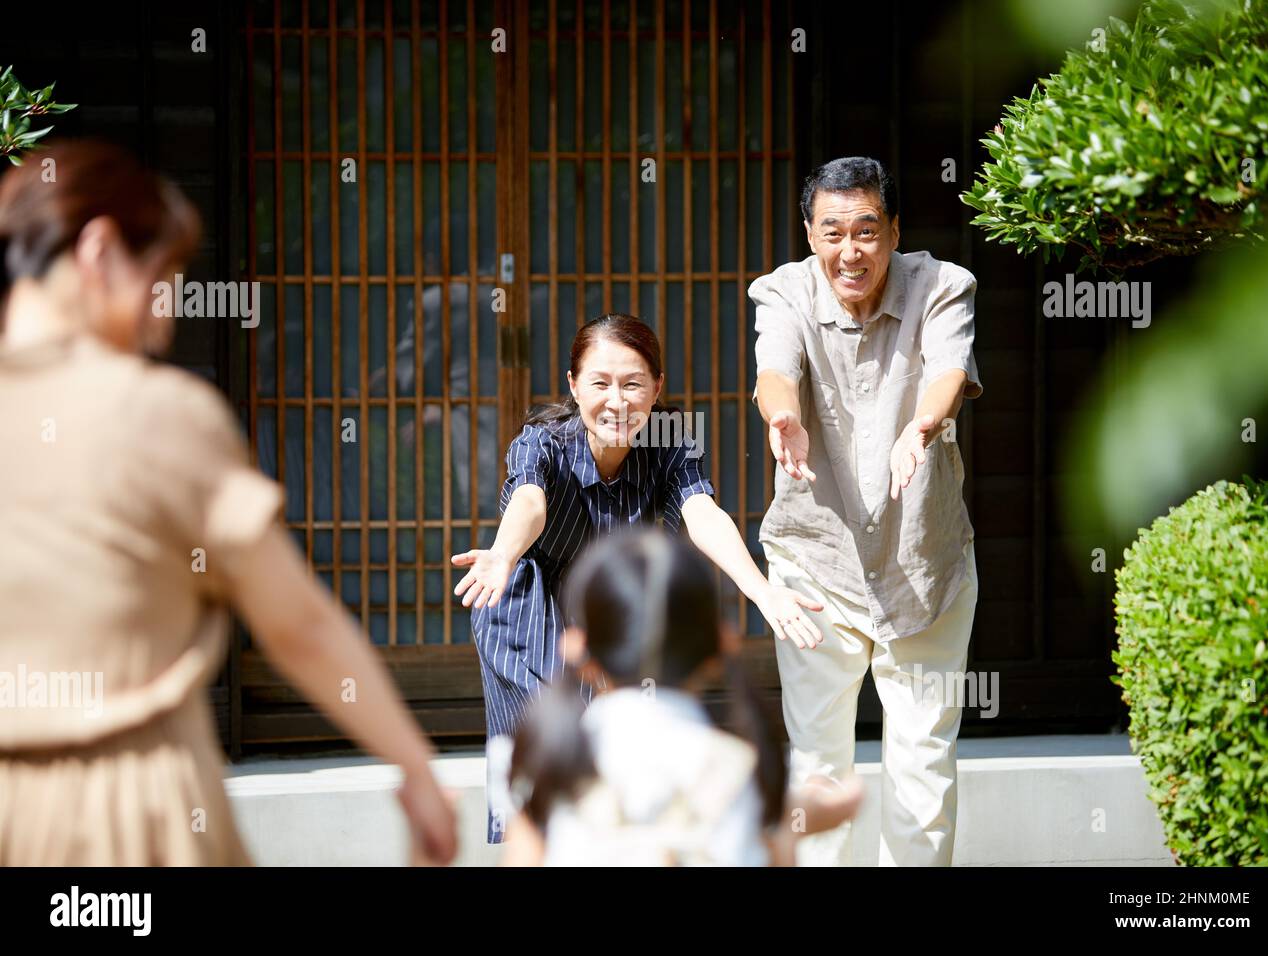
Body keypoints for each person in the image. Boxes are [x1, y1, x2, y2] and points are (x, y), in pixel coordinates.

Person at [0, 139, 456, 866]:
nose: (165, 320)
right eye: (164, 279)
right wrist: (416, 767)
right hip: (132, 815)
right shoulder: (156, 412)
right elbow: (298, 623)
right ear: (100, 250)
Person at [451, 313, 824, 843]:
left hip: (617, 611)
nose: (617, 401)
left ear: (657, 388)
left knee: (630, 762)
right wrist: (502, 554)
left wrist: (760, 589)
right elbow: (529, 500)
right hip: (531, 612)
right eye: (600, 383)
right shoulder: (541, 441)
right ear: (573, 385)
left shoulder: (672, 443)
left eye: (633, 384)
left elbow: (700, 511)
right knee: (552, 753)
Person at [750, 156, 982, 866]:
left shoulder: (942, 285)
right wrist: (782, 418)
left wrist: (922, 426)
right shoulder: (783, 290)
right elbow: (774, 368)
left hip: (923, 561)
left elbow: (947, 369)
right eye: (832, 232)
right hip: (816, 560)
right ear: (810, 234)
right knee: (816, 764)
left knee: (921, 766)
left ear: (894, 232)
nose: (850, 251)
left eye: (866, 230)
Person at [495, 528, 863, 866]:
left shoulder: (542, 766)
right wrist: (793, 823)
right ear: (723, 644)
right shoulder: (743, 776)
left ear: (577, 649)